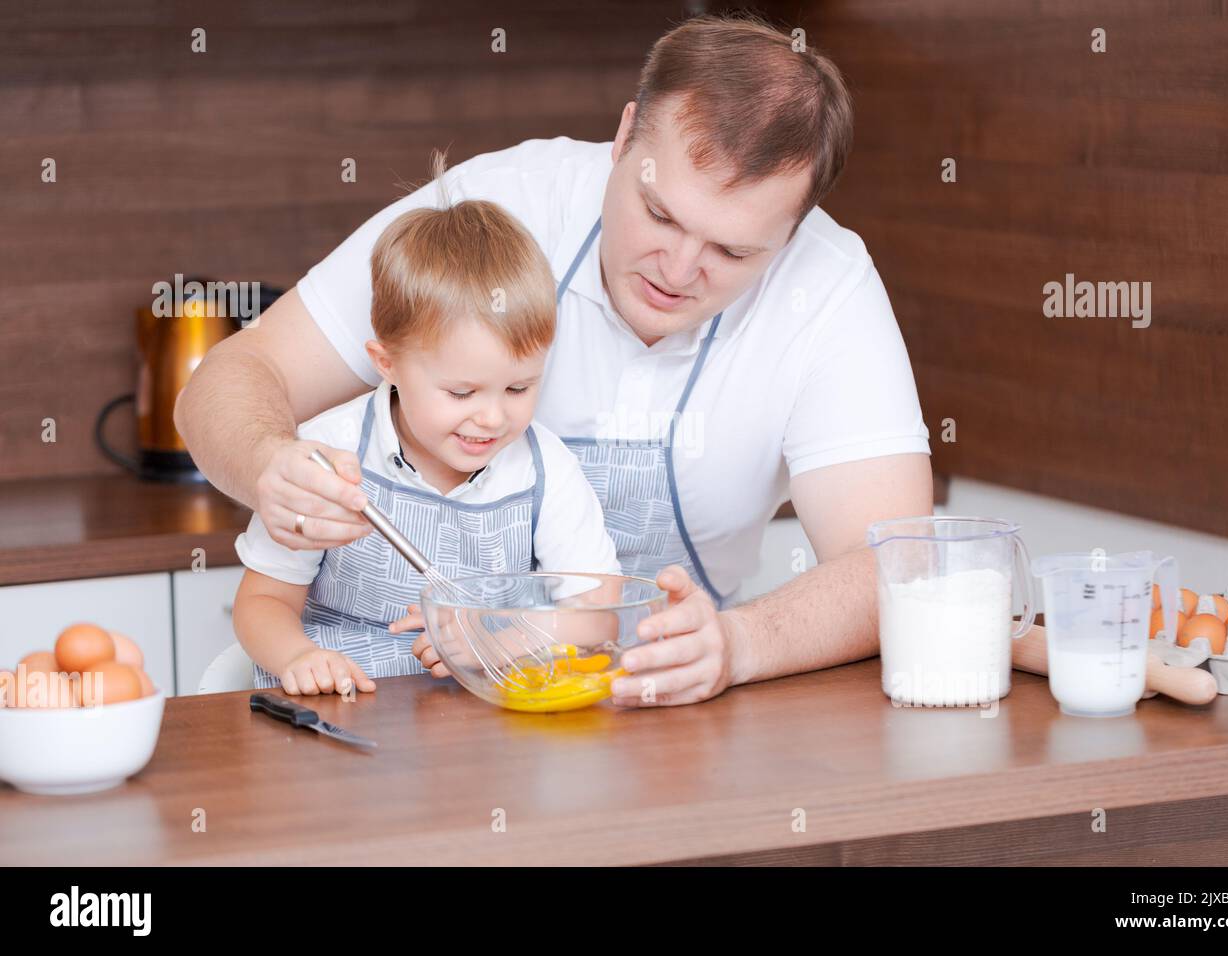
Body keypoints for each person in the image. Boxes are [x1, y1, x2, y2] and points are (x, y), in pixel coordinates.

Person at [177, 13, 938, 707]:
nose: (677, 267)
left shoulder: (829, 289)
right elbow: (230, 380)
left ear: (794, 231)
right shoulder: (497, 210)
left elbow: (896, 564)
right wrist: (269, 462)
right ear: (627, 134)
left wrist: (737, 645)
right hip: (395, 700)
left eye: (732, 250)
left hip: (658, 708)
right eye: (660, 213)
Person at [230, 163, 619, 695]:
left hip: (475, 738)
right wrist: (301, 657)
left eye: (519, 388)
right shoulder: (326, 459)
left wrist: (500, 642)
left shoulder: (545, 469)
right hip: (336, 719)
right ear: (386, 363)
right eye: (461, 393)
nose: (492, 417)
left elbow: (599, 617)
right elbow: (263, 602)